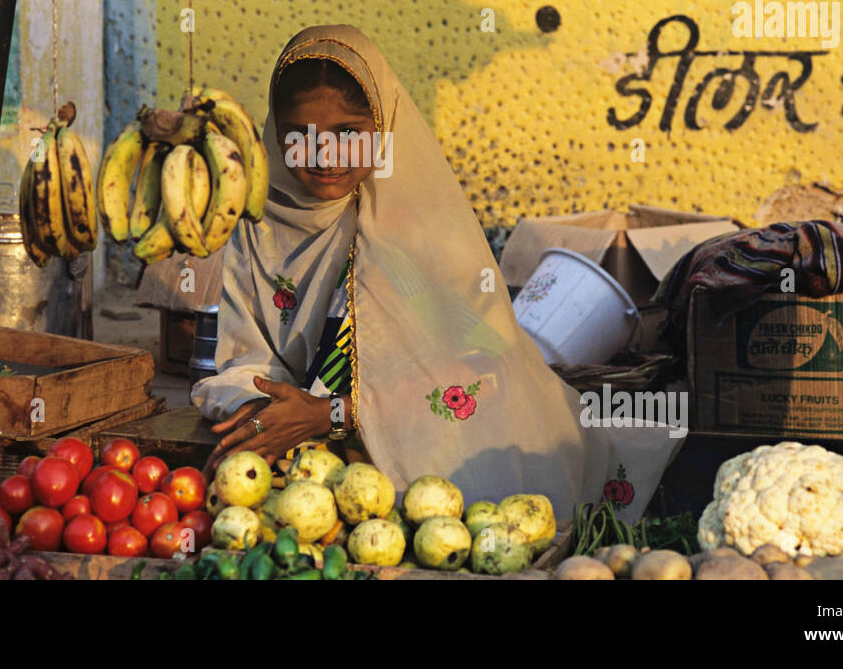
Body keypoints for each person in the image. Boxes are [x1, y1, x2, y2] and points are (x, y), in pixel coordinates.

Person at [193, 25, 680, 515]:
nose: (325, 155)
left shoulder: (416, 230)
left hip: (420, 438)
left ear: (383, 127)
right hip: (303, 446)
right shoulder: (260, 225)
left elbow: (488, 365)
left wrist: (332, 414)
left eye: (348, 133)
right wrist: (263, 413)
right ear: (276, 133)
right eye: (300, 134)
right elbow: (246, 354)